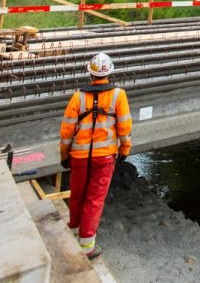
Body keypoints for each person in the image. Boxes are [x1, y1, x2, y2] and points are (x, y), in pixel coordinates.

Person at [59, 53, 131, 259]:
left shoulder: (77, 97)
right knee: (94, 199)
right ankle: (86, 246)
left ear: (90, 73)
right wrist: (124, 150)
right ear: (110, 72)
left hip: (79, 156)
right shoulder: (119, 96)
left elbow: (66, 132)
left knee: (77, 194)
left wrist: (64, 156)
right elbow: (124, 128)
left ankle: (74, 228)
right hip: (104, 157)